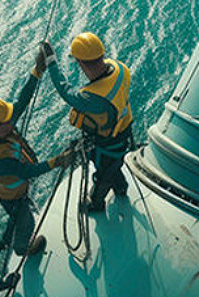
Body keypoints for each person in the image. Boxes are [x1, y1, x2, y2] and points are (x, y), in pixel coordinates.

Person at [0, 57, 71, 255]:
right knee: (25, 221)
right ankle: (22, 248)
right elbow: (26, 171)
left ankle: (3, 241)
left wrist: (37, 71)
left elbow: (21, 102)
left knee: (15, 218)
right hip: (13, 196)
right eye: (5, 122)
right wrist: (57, 161)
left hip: (14, 191)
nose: (11, 122)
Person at [38, 32, 134, 212]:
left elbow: (64, 89)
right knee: (115, 166)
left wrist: (50, 60)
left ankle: (96, 203)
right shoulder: (120, 68)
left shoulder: (92, 99)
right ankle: (121, 188)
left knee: (103, 175)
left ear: (81, 63)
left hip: (107, 145)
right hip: (124, 131)